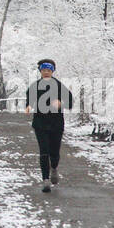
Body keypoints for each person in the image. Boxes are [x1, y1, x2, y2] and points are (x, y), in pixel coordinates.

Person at [24, 58, 72, 193]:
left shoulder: (59, 86)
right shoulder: (34, 86)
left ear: (52, 71)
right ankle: (45, 180)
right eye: (43, 70)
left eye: (48, 70)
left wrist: (60, 104)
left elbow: (70, 103)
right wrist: (28, 106)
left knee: (54, 152)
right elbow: (29, 100)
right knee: (44, 152)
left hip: (56, 124)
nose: (46, 72)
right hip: (40, 124)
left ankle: (54, 168)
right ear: (40, 71)